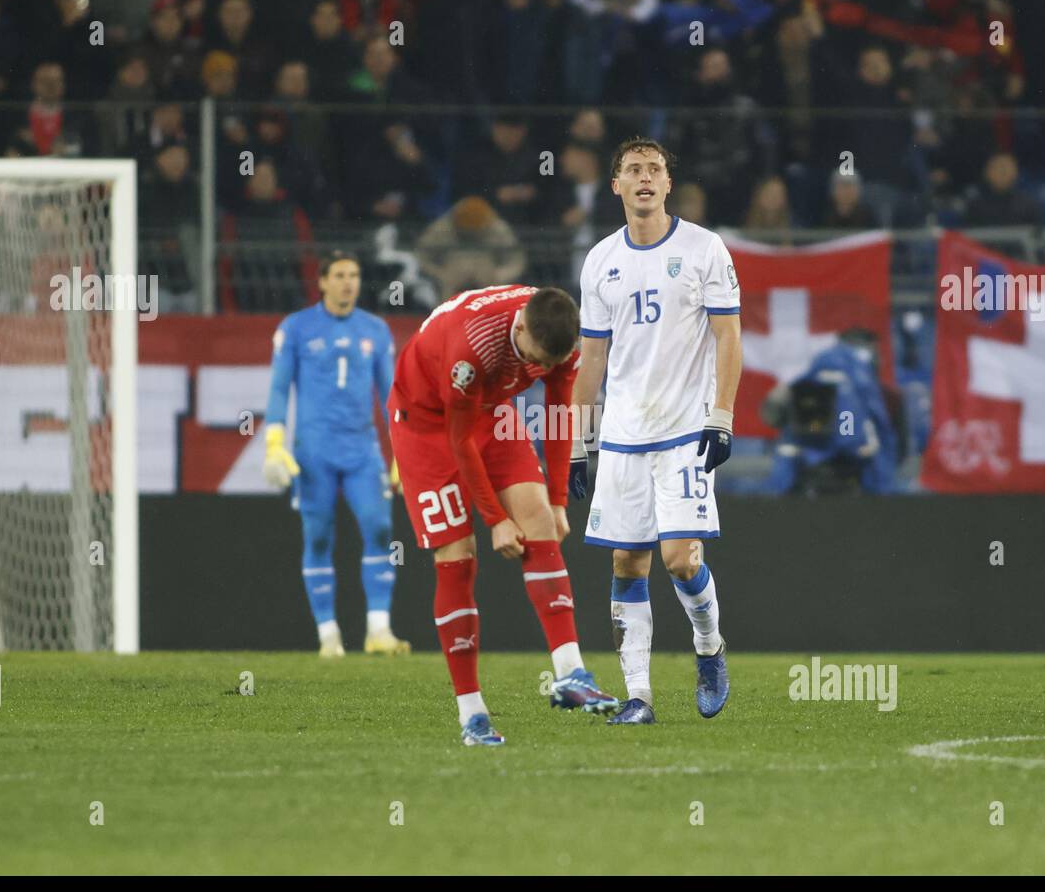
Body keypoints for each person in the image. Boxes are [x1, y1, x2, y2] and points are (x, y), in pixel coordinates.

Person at [387, 283, 622, 746]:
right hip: (427, 422)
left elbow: (559, 413)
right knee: (459, 556)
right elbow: (460, 442)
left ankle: (571, 673)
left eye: (552, 363)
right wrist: (495, 519)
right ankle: (472, 714)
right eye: (537, 359)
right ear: (518, 328)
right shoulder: (470, 349)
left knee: (538, 518)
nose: (545, 369)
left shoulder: (560, 338)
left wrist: (556, 499)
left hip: (491, 410)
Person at [569, 137, 742, 726]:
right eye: (633, 170)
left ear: (669, 184)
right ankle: (639, 697)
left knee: (680, 559)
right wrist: (578, 442)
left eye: (655, 170)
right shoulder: (599, 261)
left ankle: (709, 647)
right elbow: (591, 360)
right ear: (615, 185)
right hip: (622, 435)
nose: (645, 178)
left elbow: (728, 337)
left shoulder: (704, 249)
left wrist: (722, 416)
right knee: (626, 564)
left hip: (685, 430)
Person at [263, 252, 410, 659]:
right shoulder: (295, 328)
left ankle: (379, 630)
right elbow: (279, 388)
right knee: (319, 535)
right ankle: (328, 634)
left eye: (355, 275)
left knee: (380, 530)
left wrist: (404, 449)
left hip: (362, 452)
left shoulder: (376, 330)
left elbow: (391, 396)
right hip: (315, 453)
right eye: (341, 275)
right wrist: (274, 439)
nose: (349, 282)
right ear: (323, 282)